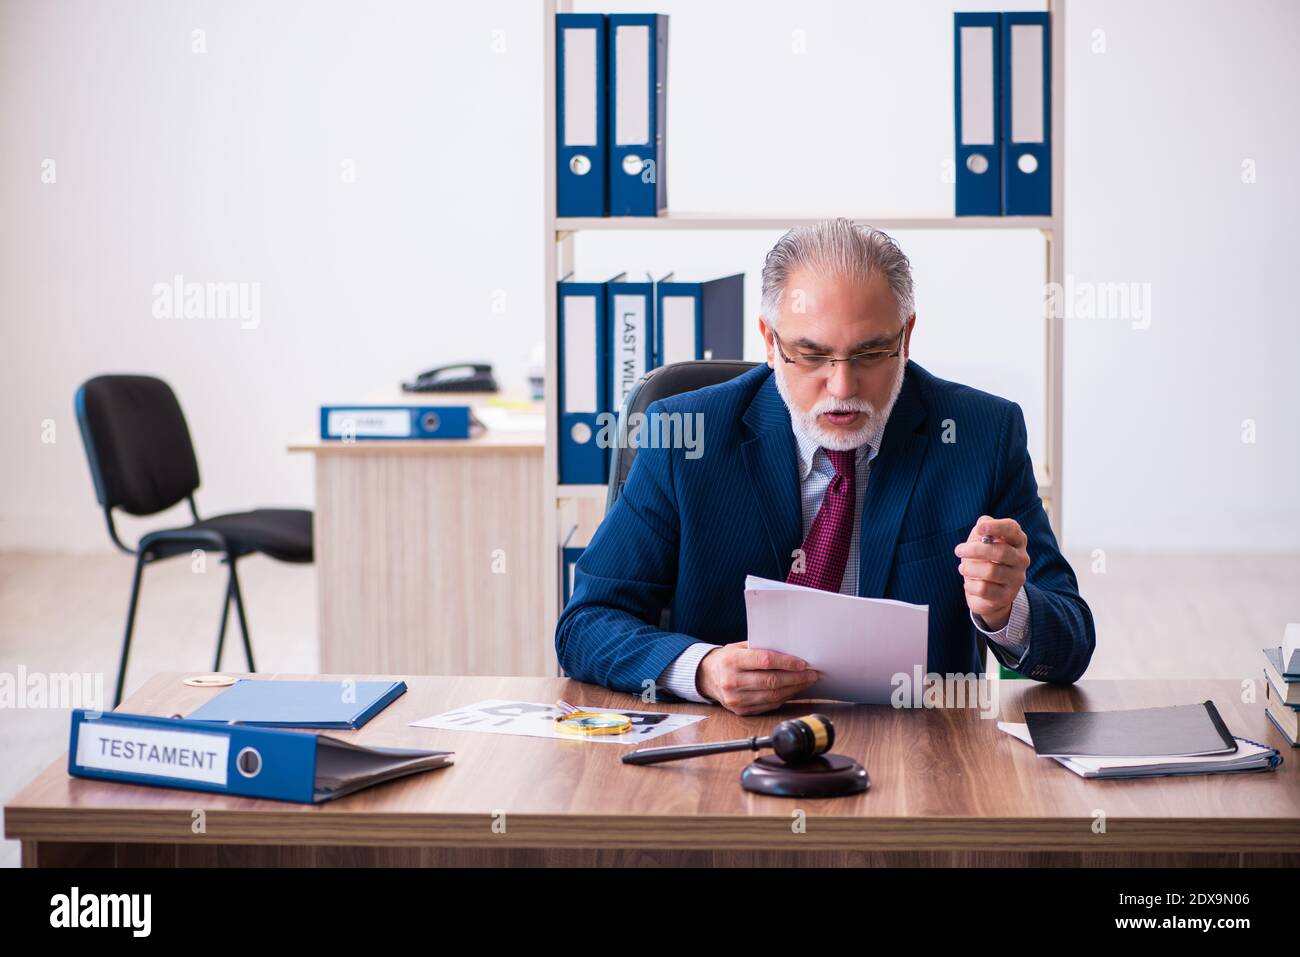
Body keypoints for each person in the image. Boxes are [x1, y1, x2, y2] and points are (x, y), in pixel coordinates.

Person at [556, 218, 1094, 715]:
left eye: (869, 354)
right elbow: (586, 624)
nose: (842, 387)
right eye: (811, 355)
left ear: (905, 338)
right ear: (769, 341)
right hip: (728, 749)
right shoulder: (684, 435)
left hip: (924, 757)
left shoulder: (982, 434)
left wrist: (1008, 610)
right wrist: (702, 670)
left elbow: (1071, 647)